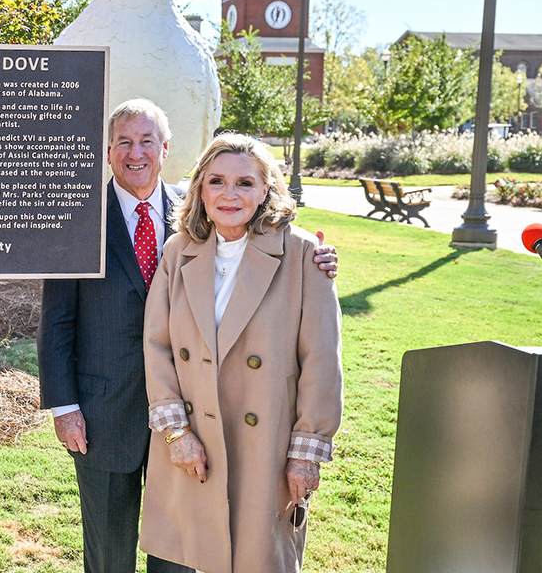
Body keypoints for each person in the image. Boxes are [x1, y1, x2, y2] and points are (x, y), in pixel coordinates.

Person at [37, 100, 337, 573]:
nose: (136, 153)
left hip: (204, 415)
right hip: (106, 409)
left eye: (147, 141)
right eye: (124, 143)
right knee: (110, 554)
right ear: (109, 151)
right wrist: (64, 405)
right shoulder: (77, 219)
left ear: (165, 149)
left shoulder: (195, 211)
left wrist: (318, 257)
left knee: (180, 552)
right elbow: (56, 321)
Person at [141, 134, 343, 573]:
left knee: (255, 559)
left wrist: (306, 453)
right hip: (194, 444)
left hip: (264, 449)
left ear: (266, 189)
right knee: (188, 555)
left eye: (245, 183)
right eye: (216, 181)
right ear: (199, 189)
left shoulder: (304, 253)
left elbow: (322, 363)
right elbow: (157, 346)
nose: (229, 195)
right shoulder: (179, 251)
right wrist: (177, 434)